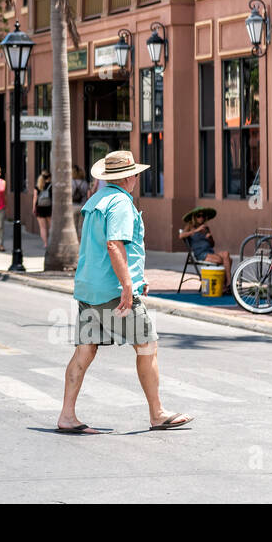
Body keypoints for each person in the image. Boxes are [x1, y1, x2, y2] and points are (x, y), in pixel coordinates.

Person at [56, 150, 193, 434]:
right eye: (135, 173)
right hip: (113, 290)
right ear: (128, 176)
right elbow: (114, 245)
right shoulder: (120, 203)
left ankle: (67, 415)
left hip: (88, 288)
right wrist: (128, 285)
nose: (137, 177)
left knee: (84, 350)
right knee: (147, 346)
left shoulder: (96, 200)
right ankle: (157, 414)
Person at [179, 210, 232, 287]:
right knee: (222, 260)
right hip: (201, 253)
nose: (201, 218)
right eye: (199, 216)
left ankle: (228, 283)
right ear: (194, 217)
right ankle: (225, 285)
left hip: (210, 252)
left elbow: (212, 244)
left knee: (227, 255)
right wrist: (196, 230)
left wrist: (210, 238)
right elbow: (181, 236)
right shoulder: (190, 226)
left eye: (203, 216)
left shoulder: (206, 228)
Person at [32, 171, 53, 249]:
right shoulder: (51, 186)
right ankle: (51, 242)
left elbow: (35, 198)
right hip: (48, 207)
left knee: (42, 227)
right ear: (49, 177)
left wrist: (34, 207)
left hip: (40, 207)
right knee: (51, 226)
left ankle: (45, 244)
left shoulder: (37, 186)